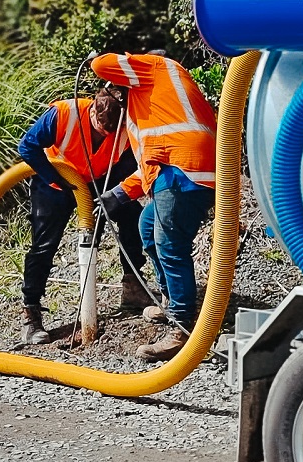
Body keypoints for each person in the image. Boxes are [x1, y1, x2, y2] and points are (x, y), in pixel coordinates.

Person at [92, 52, 217, 362]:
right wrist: (118, 194)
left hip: (186, 170)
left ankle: (182, 328)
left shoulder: (157, 68)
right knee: (147, 228)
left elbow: (99, 65)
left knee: (169, 243)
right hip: (175, 171)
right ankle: (172, 303)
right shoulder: (151, 106)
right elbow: (149, 169)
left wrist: (99, 60)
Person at [17, 88, 147, 345]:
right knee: (44, 245)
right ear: (92, 111)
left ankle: (133, 286)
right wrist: (55, 178)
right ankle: (30, 313)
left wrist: (111, 196)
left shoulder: (126, 123)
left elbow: (132, 162)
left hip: (97, 183)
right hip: (54, 183)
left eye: (110, 131)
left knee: (132, 213)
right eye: (100, 127)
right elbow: (28, 146)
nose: (104, 133)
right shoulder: (64, 114)